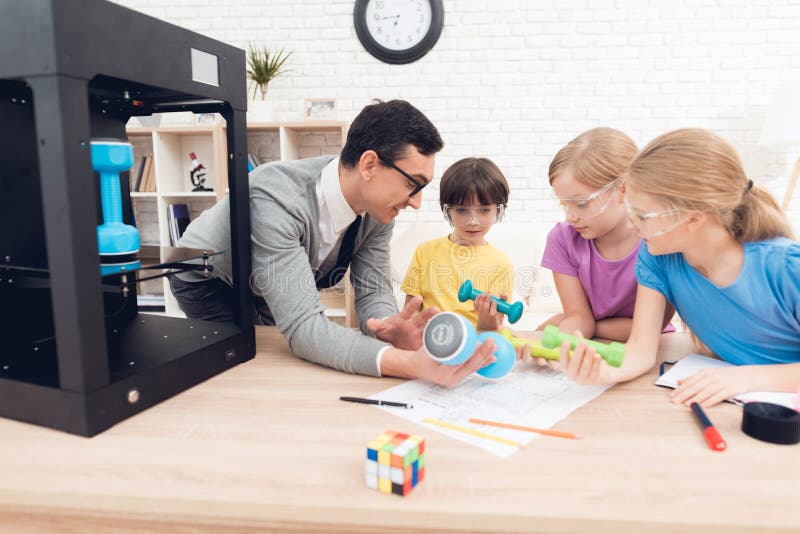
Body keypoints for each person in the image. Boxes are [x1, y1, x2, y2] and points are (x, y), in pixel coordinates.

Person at [171, 100, 496, 386]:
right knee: (244, 368)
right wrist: (408, 364)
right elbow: (304, 329)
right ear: (370, 165)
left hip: (260, 284)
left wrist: (388, 327)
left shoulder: (378, 210)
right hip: (207, 279)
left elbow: (373, 288)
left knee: (285, 361)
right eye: (414, 184)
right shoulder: (273, 197)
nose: (416, 202)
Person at [558, 128, 800, 407]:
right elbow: (640, 351)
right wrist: (602, 371)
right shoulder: (656, 259)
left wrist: (744, 379)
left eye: (643, 216)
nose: (632, 225)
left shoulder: (786, 267)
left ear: (694, 219)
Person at [537, 128, 673, 345]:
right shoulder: (562, 239)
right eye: (564, 203)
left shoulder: (658, 242)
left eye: (582, 203)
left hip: (644, 347)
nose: (570, 216)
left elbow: (648, 329)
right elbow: (578, 318)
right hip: (589, 341)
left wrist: (576, 324)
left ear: (623, 189)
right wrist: (564, 333)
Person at [401, 157, 514, 331]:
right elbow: (411, 312)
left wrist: (486, 316)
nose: (473, 221)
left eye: (484, 210)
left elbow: (492, 329)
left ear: (498, 210)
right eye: (461, 210)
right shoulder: (425, 252)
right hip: (429, 342)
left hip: (474, 344)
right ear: (447, 210)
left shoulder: (501, 264)